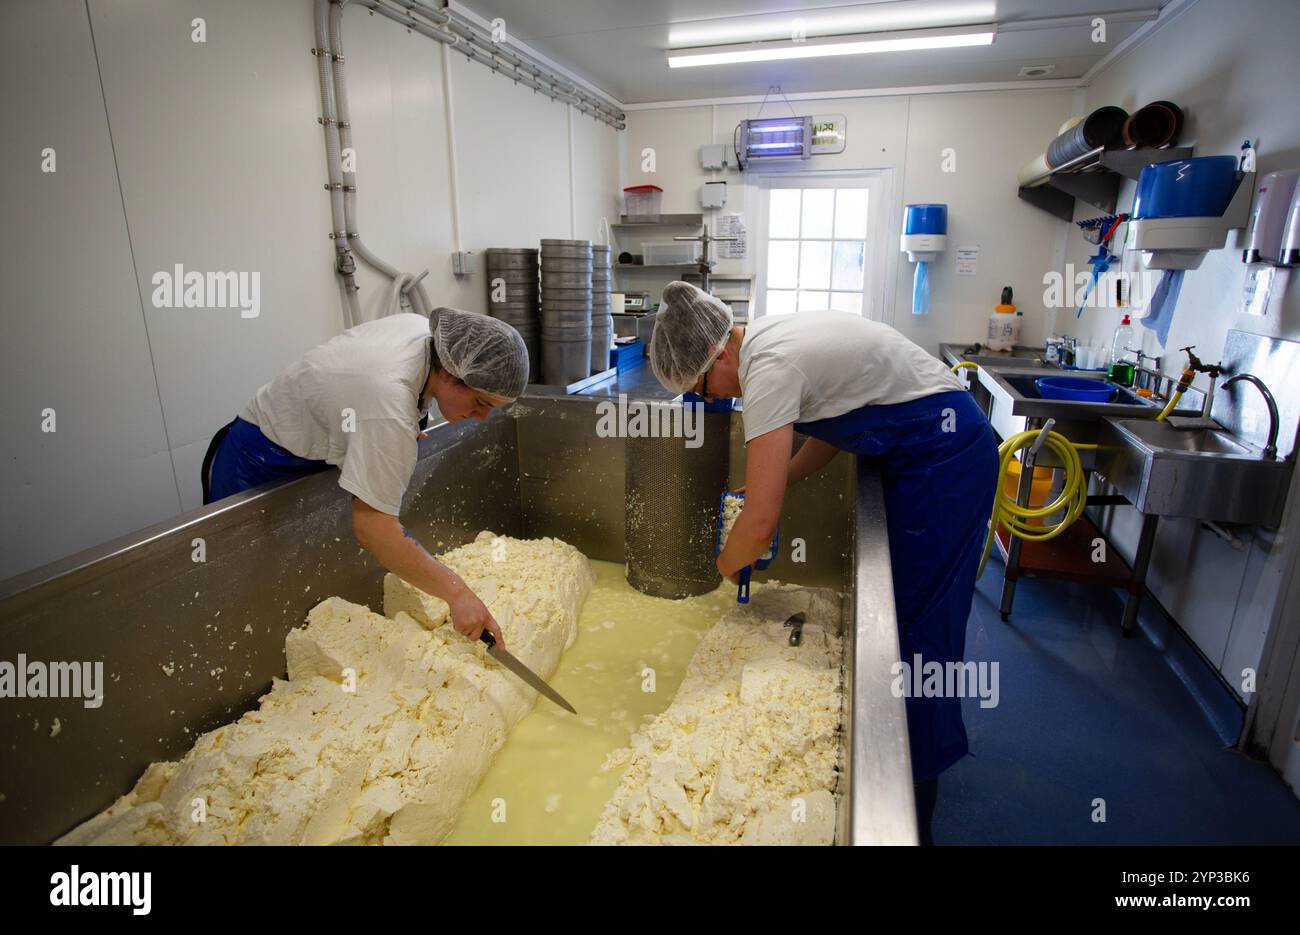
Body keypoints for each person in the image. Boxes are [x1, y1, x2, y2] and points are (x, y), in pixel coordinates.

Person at [648, 281, 997, 844]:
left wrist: (724, 565)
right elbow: (839, 421)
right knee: (913, 617)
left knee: (921, 626)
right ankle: (912, 766)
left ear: (719, 354)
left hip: (946, 460)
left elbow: (759, 524)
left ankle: (913, 795)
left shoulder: (768, 368)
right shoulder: (770, 342)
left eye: (703, 388)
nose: (712, 400)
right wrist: (776, 477)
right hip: (924, 453)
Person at [202, 308, 528, 646]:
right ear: (449, 372)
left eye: (493, 407)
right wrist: (458, 595)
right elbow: (373, 528)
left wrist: (387, 430)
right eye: (479, 402)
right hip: (257, 462)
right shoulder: (386, 402)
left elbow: (368, 403)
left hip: (314, 445)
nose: (481, 417)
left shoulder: (427, 338)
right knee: (240, 588)